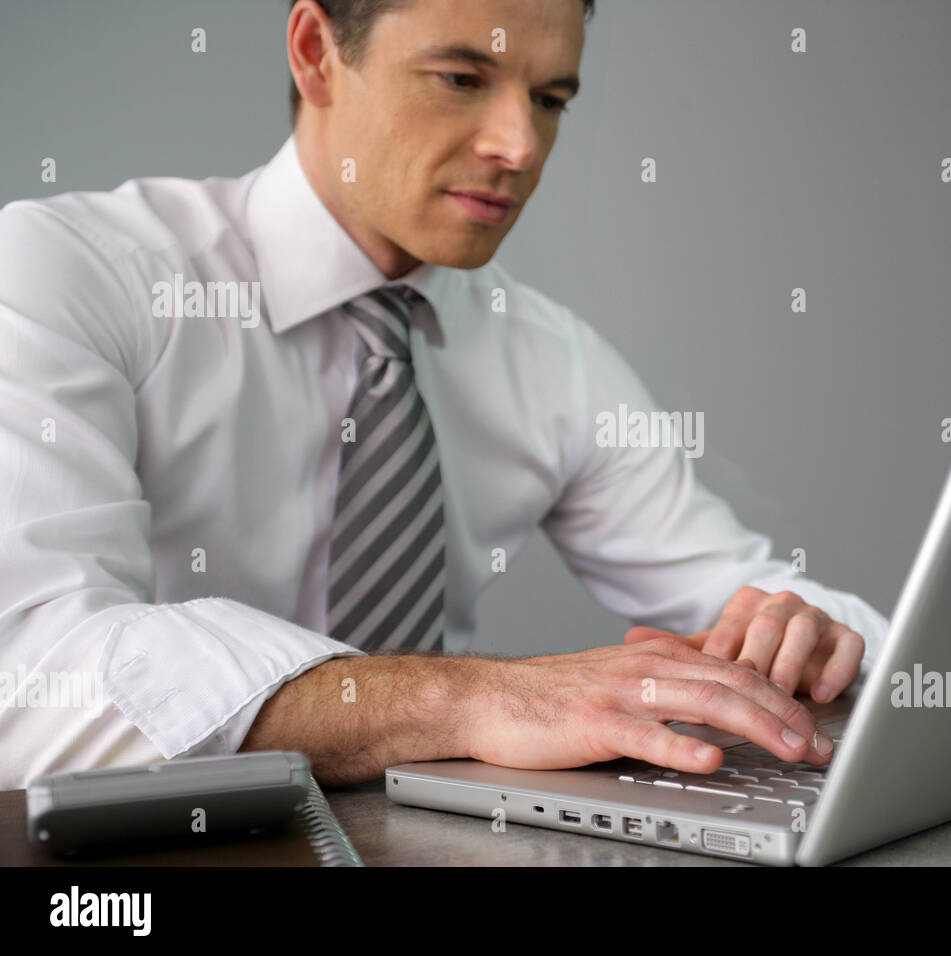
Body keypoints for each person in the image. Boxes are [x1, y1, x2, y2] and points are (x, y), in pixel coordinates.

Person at [0, 0, 888, 790]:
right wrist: (469, 698)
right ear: (315, 52)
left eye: (551, 99)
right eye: (462, 77)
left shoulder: (553, 359)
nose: (521, 146)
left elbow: (753, 597)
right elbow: (36, 673)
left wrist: (807, 636)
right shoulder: (69, 274)